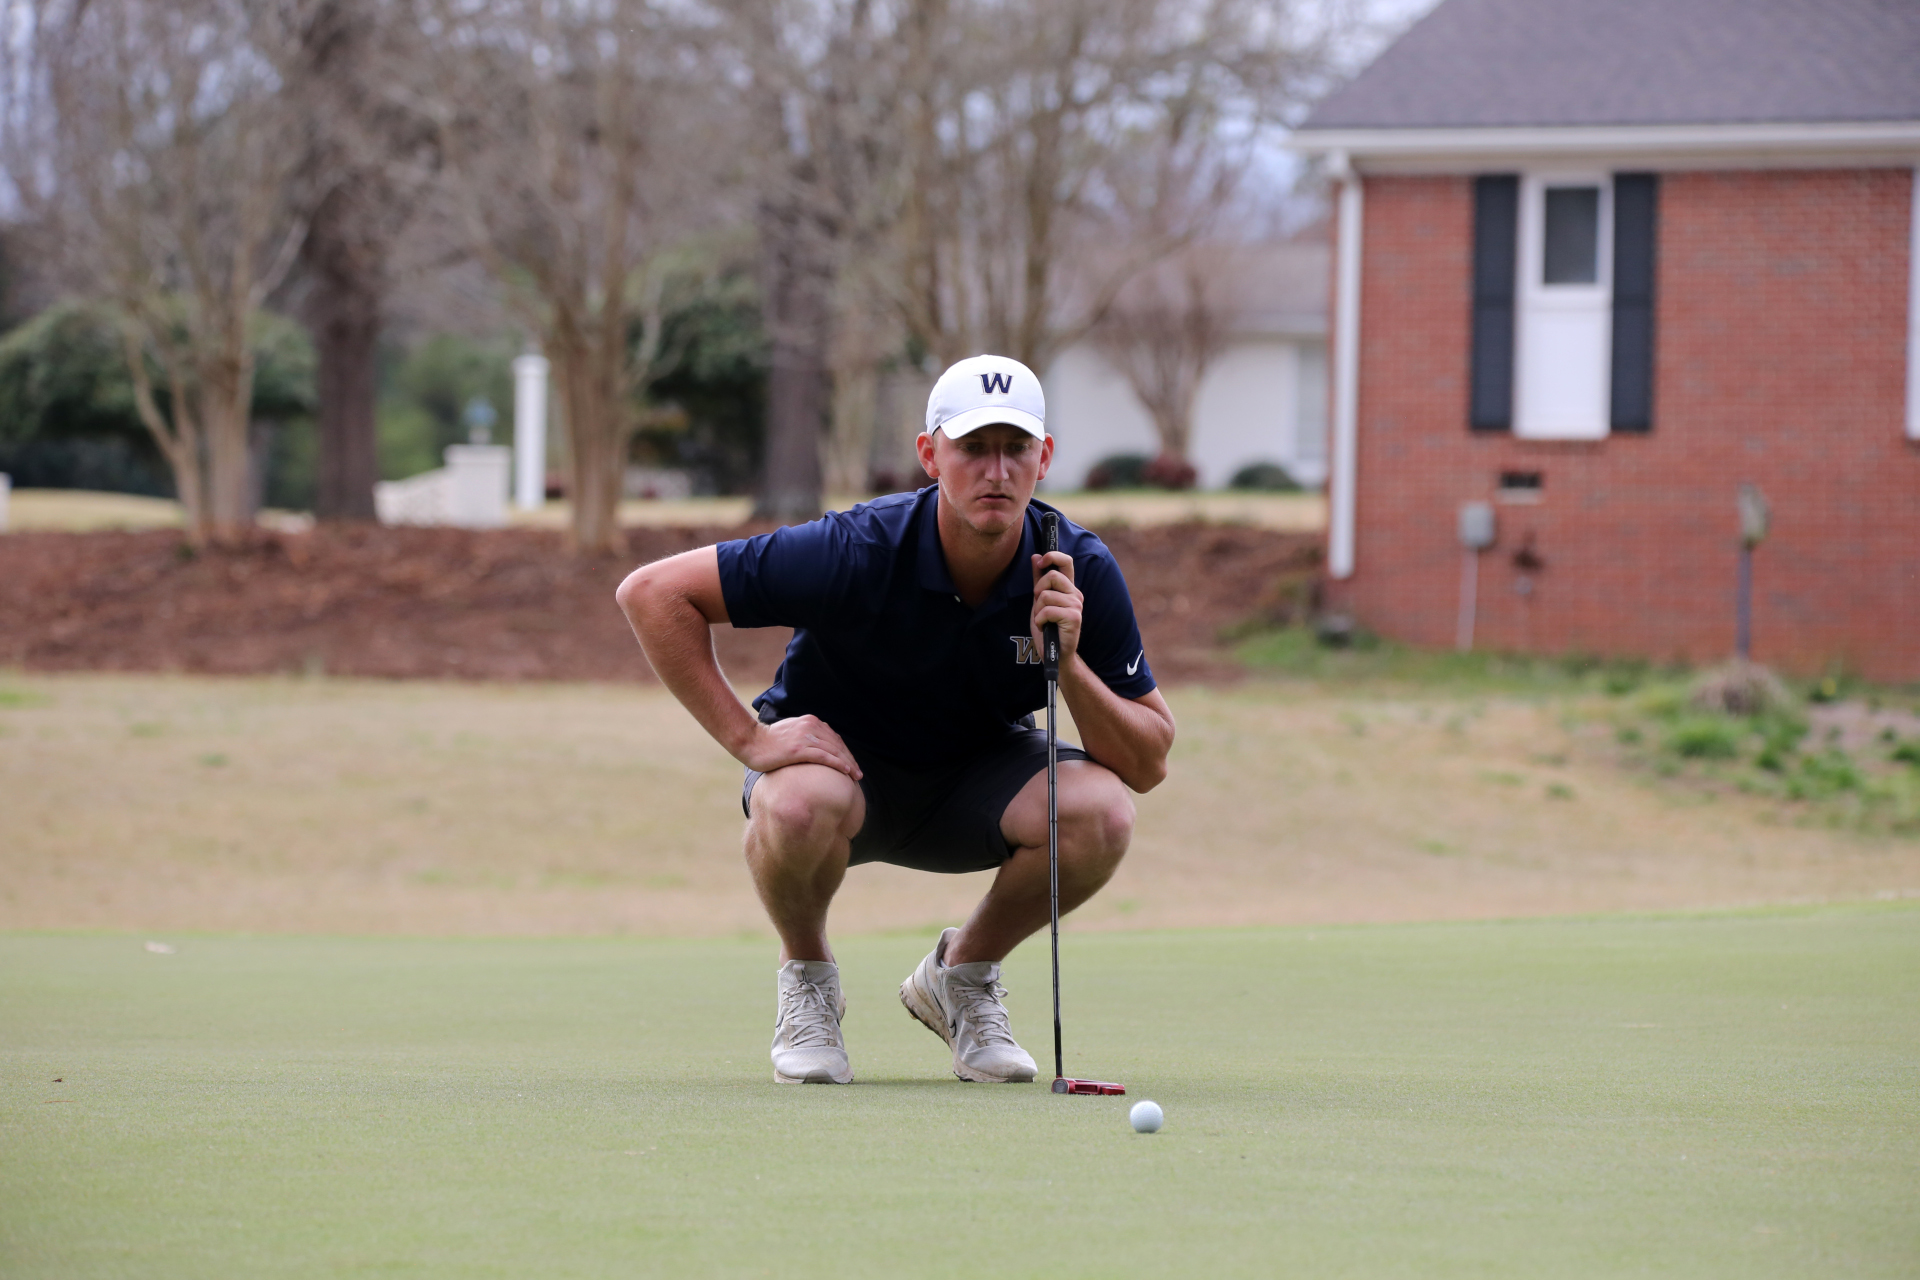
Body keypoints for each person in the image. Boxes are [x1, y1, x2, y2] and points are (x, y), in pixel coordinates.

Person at [615, 354, 1175, 1084]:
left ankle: (962, 976)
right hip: (841, 778)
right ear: (929, 454)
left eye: (1015, 449)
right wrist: (748, 738)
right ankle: (808, 978)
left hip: (977, 779)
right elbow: (652, 592)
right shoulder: (855, 549)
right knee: (795, 800)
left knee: (1103, 812)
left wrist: (1067, 665)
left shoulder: (1075, 566)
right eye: (973, 448)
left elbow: (1148, 762)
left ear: (1045, 458)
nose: (996, 471)